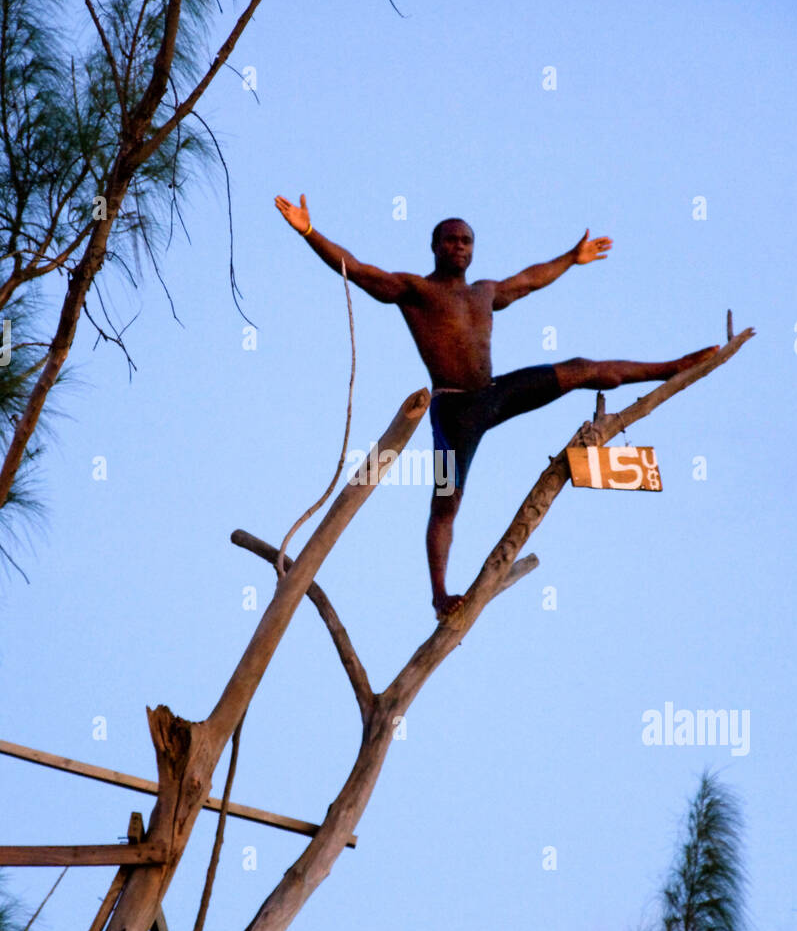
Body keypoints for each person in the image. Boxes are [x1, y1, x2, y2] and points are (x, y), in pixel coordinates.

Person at [275, 193, 718, 618]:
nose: (459, 246)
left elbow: (528, 281)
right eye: (450, 239)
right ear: (434, 247)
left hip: (495, 394)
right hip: (454, 413)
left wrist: (571, 257)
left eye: (466, 240)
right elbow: (358, 270)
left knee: (583, 368)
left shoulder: (484, 292)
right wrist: (309, 231)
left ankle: (670, 367)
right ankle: (439, 595)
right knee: (446, 503)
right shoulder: (414, 290)